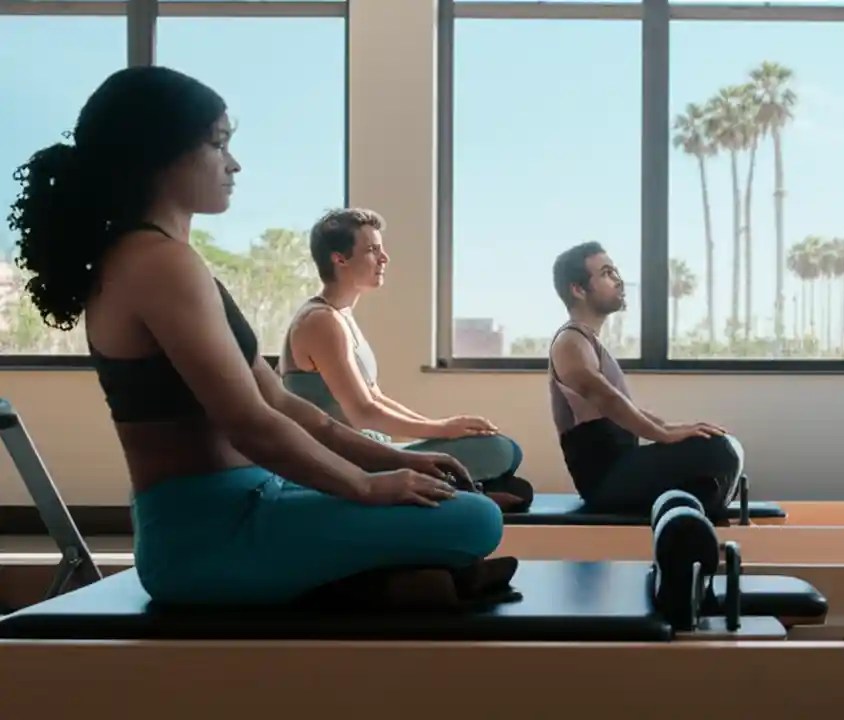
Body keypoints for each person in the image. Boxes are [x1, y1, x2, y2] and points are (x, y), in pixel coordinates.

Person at [6, 66, 509, 607]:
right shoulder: (153, 265)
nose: (234, 163)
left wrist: (392, 462)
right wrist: (366, 486)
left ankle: (386, 580)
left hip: (257, 501)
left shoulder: (173, 262)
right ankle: (383, 578)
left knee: (454, 505)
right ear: (159, 154)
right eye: (218, 144)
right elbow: (246, 422)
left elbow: (281, 402)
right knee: (476, 521)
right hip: (206, 540)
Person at [278, 207, 533, 511]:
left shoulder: (340, 316)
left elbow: (374, 397)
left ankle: (473, 490)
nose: (384, 258)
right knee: (499, 451)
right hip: (348, 459)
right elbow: (363, 412)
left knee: (507, 451)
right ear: (339, 258)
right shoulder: (320, 321)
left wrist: (442, 427)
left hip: (376, 446)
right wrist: (443, 429)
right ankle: (474, 491)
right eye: (372, 250)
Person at [547, 241, 745, 521]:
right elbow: (607, 399)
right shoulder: (569, 341)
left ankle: (692, 514)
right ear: (578, 289)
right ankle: (691, 517)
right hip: (605, 481)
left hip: (621, 468)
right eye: (606, 273)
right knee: (718, 452)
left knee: (715, 442)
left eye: (615, 272)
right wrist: (663, 436)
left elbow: (624, 407)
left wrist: (673, 427)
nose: (618, 280)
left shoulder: (589, 342)